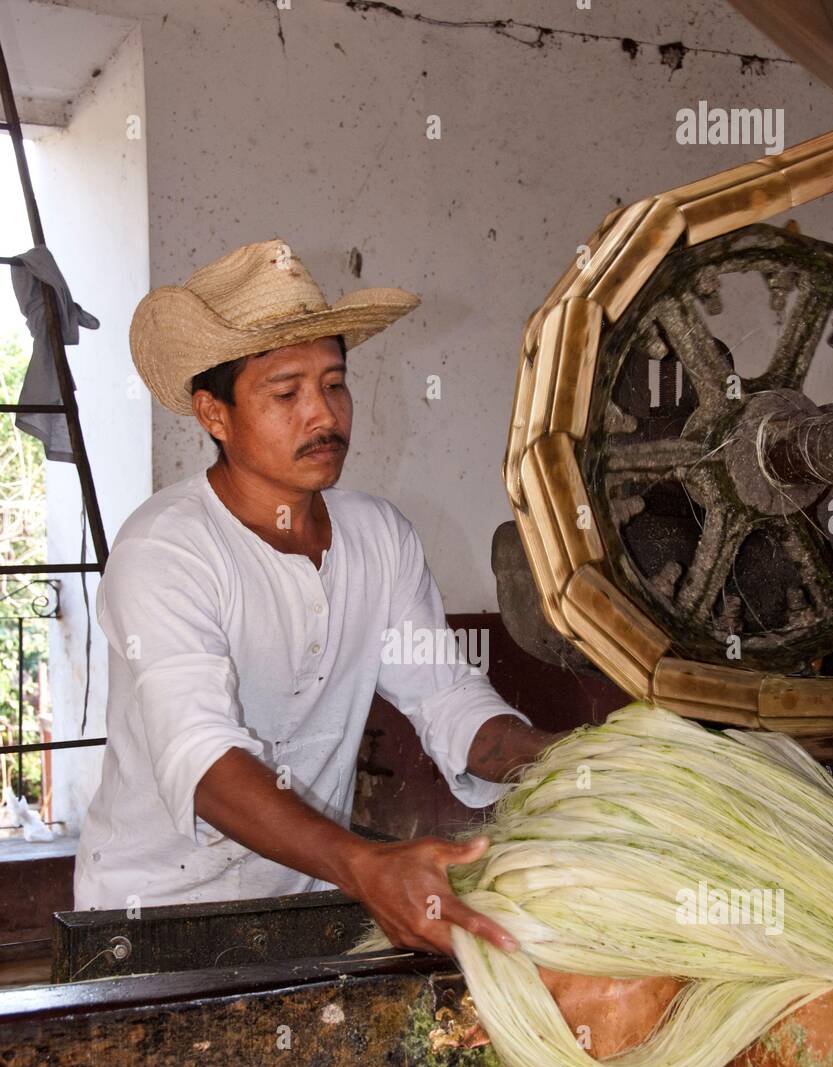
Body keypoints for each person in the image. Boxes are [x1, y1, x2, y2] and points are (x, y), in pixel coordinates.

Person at [73, 238, 568, 955]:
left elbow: (448, 701)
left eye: (334, 384)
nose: (323, 416)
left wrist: (564, 762)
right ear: (214, 415)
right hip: (149, 925)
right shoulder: (166, 550)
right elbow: (204, 763)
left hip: (305, 909)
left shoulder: (380, 538)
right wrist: (364, 865)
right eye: (286, 393)